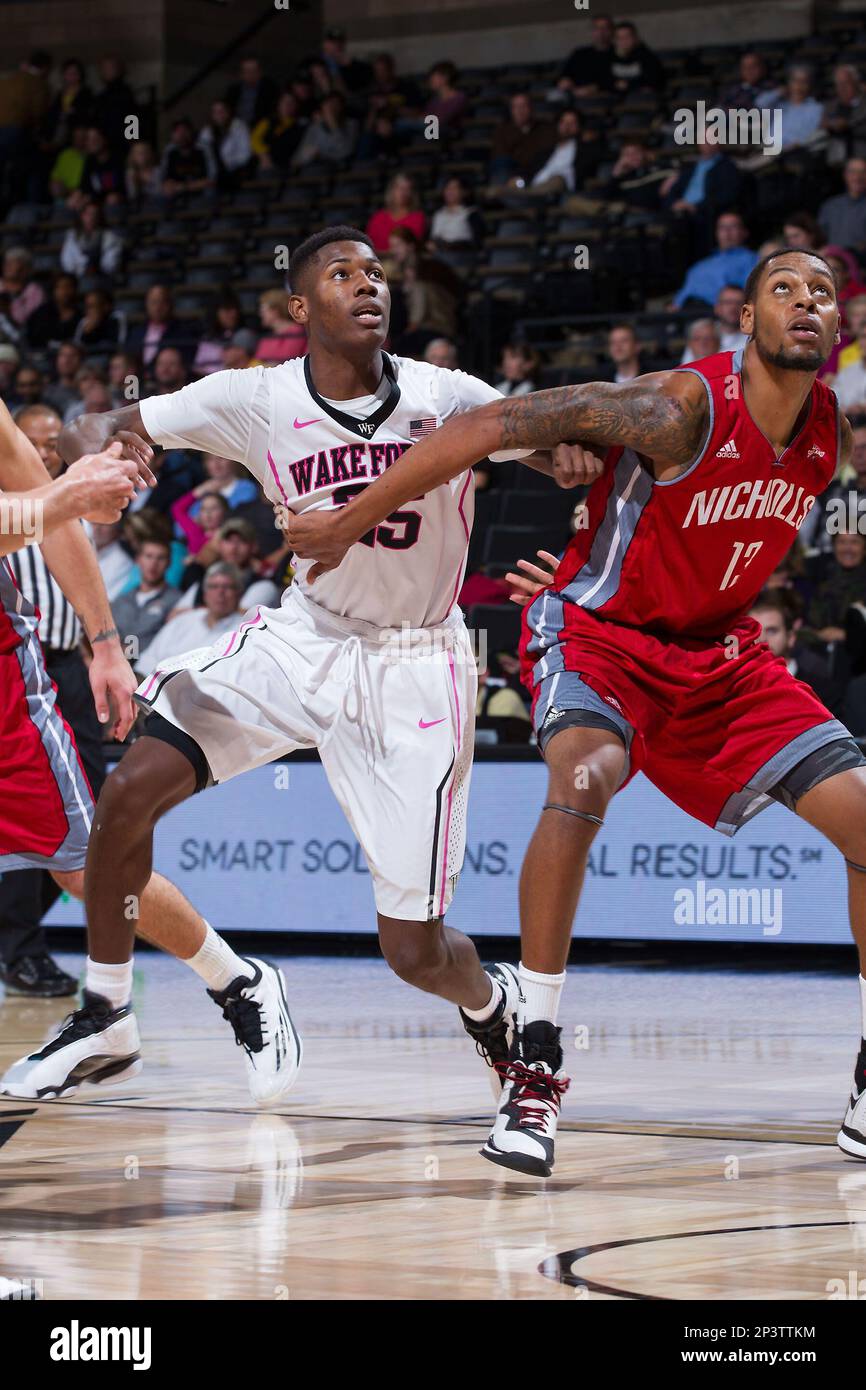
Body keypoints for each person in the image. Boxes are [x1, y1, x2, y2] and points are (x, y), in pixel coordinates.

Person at [285, 246, 866, 1177]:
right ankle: (537, 1064)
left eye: (823, 293)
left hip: (719, 653)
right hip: (598, 631)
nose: (806, 303)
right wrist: (350, 518)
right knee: (588, 775)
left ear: (842, 326)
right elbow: (495, 420)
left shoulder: (830, 428)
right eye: (782, 290)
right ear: (747, 319)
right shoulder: (677, 407)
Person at [18, 224, 578, 1109]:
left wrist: (569, 454)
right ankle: (107, 1009)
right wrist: (123, 446)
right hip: (303, 637)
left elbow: (550, 448)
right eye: (343, 273)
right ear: (297, 307)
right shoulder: (257, 397)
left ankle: (489, 1000)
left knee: (415, 952)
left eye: (378, 274)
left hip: (413, 664)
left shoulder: (444, 392)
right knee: (126, 795)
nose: (369, 286)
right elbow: (108, 421)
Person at [135, 562, 245, 673]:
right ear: (205, 594)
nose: (220, 592)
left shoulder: (243, 633)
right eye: (214, 586)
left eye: (227, 587)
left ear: (239, 594)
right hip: (153, 685)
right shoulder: (184, 620)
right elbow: (148, 659)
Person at [111, 534, 182, 665]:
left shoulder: (177, 601)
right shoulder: (122, 600)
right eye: (149, 556)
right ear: (138, 560)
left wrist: (129, 651)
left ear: (169, 563)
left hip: (151, 671)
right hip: (114, 668)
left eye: (160, 558)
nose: (154, 563)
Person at [671, 211, 757, 310]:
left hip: (720, 315)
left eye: (733, 227)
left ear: (744, 232)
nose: (727, 232)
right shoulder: (699, 266)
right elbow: (680, 299)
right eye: (722, 227)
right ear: (716, 233)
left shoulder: (752, 260)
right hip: (686, 314)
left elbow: (748, 295)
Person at [60, 200, 124, 281]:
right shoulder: (72, 236)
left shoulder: (111, 238)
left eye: (95, 214)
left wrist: (96, 269)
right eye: (88, 214)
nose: (91, 217)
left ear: (100, 217)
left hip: (103, 279)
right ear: (82, 216)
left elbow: (111, 263)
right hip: (76, 279)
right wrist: (84, 269)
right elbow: (67, 263)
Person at [366, 172, 427, 254]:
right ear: (391, 191)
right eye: (399, 188)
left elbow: (415, 247)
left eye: (408, 189)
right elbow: (368, 246)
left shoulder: (418, 217)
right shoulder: (378, 217)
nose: (404, 193)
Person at [557, 14, 615, 98]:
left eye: (605, 28)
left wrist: (595, 88)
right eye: (596, 28)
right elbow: (564, 75)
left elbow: (616, 80)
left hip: (605, 97)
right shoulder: (579, 54)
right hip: (577, 98)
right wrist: (565, 81)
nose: (601, 32)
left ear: (612, 31)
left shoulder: (618, 53)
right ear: (592, 31)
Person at [818, 157, 866, 250]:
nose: (857, 177)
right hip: (833, 261)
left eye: (863, 172)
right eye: (852, 172)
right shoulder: (830, 206)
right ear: (845, 175)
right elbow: (819, 239)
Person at [428, 176, 483, 249]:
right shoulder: (438, 214)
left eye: (455, 188)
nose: (450, 191)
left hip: (461, 254)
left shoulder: (471, 212)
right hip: (438, 254)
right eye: (448, 188)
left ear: (464, 192)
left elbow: (476, 242)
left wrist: (449, 245)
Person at [255, 288, 307, 365]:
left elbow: (287, 360)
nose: (260, 314)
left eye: (263, 310)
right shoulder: (270, 336)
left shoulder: (296, 332)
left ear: (275, 310)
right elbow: (258, 361)